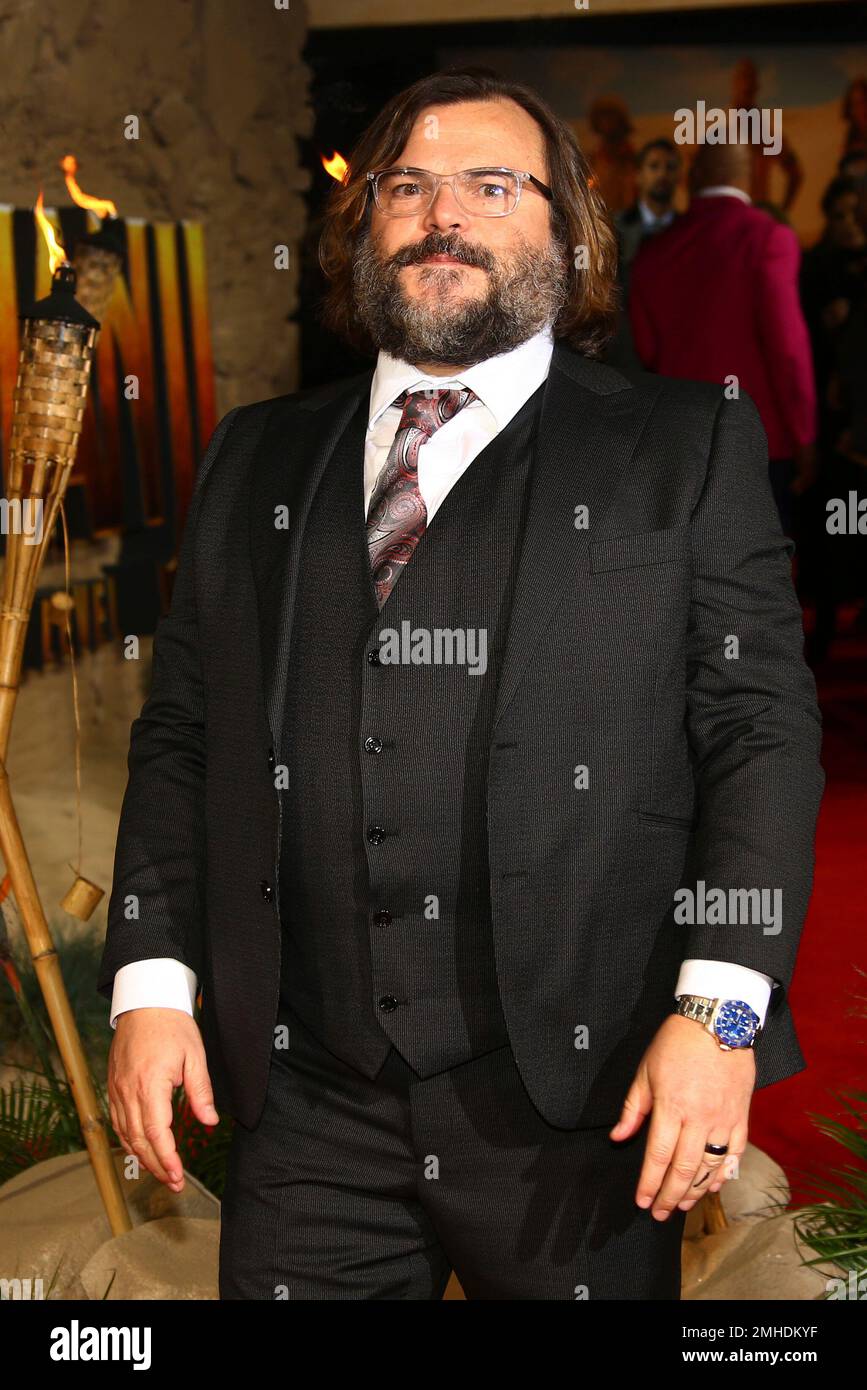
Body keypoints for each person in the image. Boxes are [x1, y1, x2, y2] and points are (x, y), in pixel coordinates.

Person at [98, 68, 825, 1301]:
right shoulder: (253, 455)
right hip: (309, 1097)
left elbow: (761, 733)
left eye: (493, 186)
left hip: (582, 1098)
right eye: (410, 187)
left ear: (568, 229)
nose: (446, 217)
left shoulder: (683, 446)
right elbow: (184, 735)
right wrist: (150, 984)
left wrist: (722, 1017)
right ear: (364, 223)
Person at [629, 142, 817, 535]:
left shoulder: (654, 251)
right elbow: (788, 349)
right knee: (762, 575)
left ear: (693, 178)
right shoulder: (768, 237)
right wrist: (805, 436)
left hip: (679, 442)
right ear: (744, 177)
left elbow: (648, 350)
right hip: (761, 440)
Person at [606, 138, 682, 368]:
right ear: (638, 175)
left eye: (670, 167)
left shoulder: (690, 231)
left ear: (679, 177)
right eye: (654, 166)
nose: (662, 175)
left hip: (676, 354)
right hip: (626, 355)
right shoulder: (613, 229)